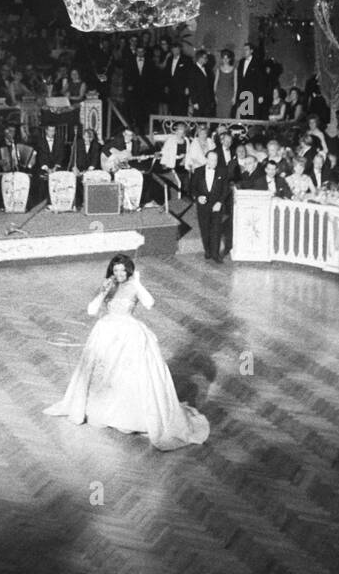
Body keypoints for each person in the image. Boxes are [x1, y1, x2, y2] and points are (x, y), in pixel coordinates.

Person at [44, 256, 209, 451]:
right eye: (116, 271)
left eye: (123, 270)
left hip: (129, 333)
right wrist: (102, 292)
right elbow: (91, 311)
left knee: (130, 375)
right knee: (104, 375)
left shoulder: (133, 286)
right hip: (106, 332)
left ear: (129, 270)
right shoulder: (109, 285)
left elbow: (149, 303)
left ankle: (131, 418)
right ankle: (105, 412)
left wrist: (138, 284)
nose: (119, 274)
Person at [190, 149, 228, 262]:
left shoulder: (223, 171)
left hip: (217, 205)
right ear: (206, 159)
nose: (214, 162)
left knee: (216, 229)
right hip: (203, 206)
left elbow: (225, 190)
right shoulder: (198, 171)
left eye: (216, 160)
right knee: (205, 229)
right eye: (211, 159)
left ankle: (215, 254)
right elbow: (192, 188)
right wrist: (198, 197)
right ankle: (208, 250)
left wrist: (220, 202)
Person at [213, 49, 237, 119]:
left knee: (227, 114)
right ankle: (219, 129)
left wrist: (234, 97)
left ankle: (226, 129)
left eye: (227, 58)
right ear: (222, 59)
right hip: (220, 94)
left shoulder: (234, 69)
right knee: (219, 114)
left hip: (229, 95)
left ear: (230, 59)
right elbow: (215, 83)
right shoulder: (219, 69)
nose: (225, 60)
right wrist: (215, 95)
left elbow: (235, 84)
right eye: (223, 58)